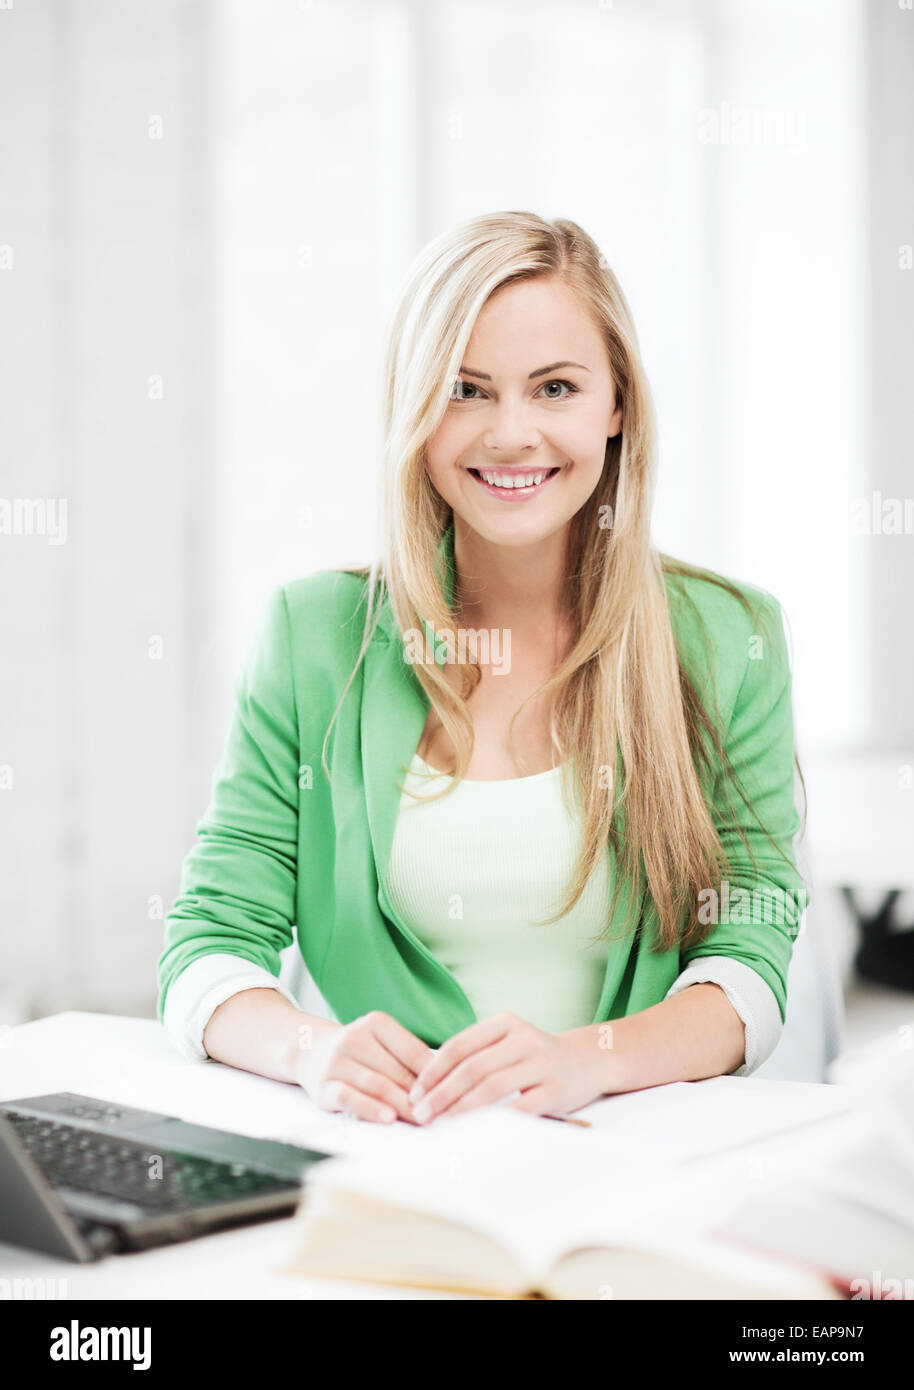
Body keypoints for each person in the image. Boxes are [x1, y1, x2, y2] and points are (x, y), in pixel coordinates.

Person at [157, 210, 808, 1127]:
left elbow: (750, 960)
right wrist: (313, 1050)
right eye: (466, 389)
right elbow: (207, 946)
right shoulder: (316, 636)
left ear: (616, 404)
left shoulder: (729, 637)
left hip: (633, 1162)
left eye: (555, 388)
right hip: (401, 1161)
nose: (510, 434)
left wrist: (583, 1063)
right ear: (415, 411)